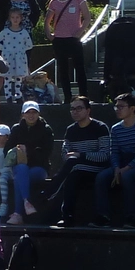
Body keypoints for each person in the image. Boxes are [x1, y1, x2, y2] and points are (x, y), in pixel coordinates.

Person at [95, 93, 135, 228]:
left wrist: (127, 168)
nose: (117, 109)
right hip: (122, 162)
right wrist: (116, 168)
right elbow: (114, 151)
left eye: (121, 107)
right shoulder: (116, 128)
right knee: (102, 177)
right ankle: (103, 216)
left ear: (132, 108)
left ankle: (132, 217)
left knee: (127, 177)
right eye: (116, 107)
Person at [50, 97, 111, 227]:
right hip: (76, 168)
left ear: (88, 110)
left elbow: (105, 155)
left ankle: (51, 191)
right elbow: (65, 153)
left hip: (98, 168)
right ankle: (67, 216)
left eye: (79, 108)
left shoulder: (100, 127)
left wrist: (81, 155)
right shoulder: (70, 130)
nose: (75, 112)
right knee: (73, 172)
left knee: (73, 166)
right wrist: (73, 157)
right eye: (72, 109)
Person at [6, 100, 54, 224]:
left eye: (34, 112)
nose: (31, 115)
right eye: (28, 112)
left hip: (39, 168)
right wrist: (17, 152)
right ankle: (27, 202)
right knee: (21, 169)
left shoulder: (46, 129)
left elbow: (46, 152)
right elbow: (7, 150)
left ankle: (18, 213)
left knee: (19, 177)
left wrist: (27, 152)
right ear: (23, 114)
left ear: (39, 114)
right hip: (20, 166)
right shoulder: (16, 129)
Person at [45, 0, 90, 100]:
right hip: (59, 39)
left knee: (79, 68)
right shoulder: (54, 2)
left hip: (73, 39)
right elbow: (47, 20)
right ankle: (67, 97)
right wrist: (49, 34)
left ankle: (84, 96)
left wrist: (80, 32)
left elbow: (87, 17)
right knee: (63, 70)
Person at [0, 8, 34, 104]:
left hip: (19, 58)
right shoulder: (6, 32)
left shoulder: (24, 32)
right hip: (8, 58)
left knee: (18, 77)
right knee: (7, 77)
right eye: (13, 17)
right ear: (9, 18)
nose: (15, 20)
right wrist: (4, 48)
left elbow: (29, 45)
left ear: (21, 18)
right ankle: (8, 96)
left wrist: (21, 50)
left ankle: (18, 95)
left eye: (17, 17)